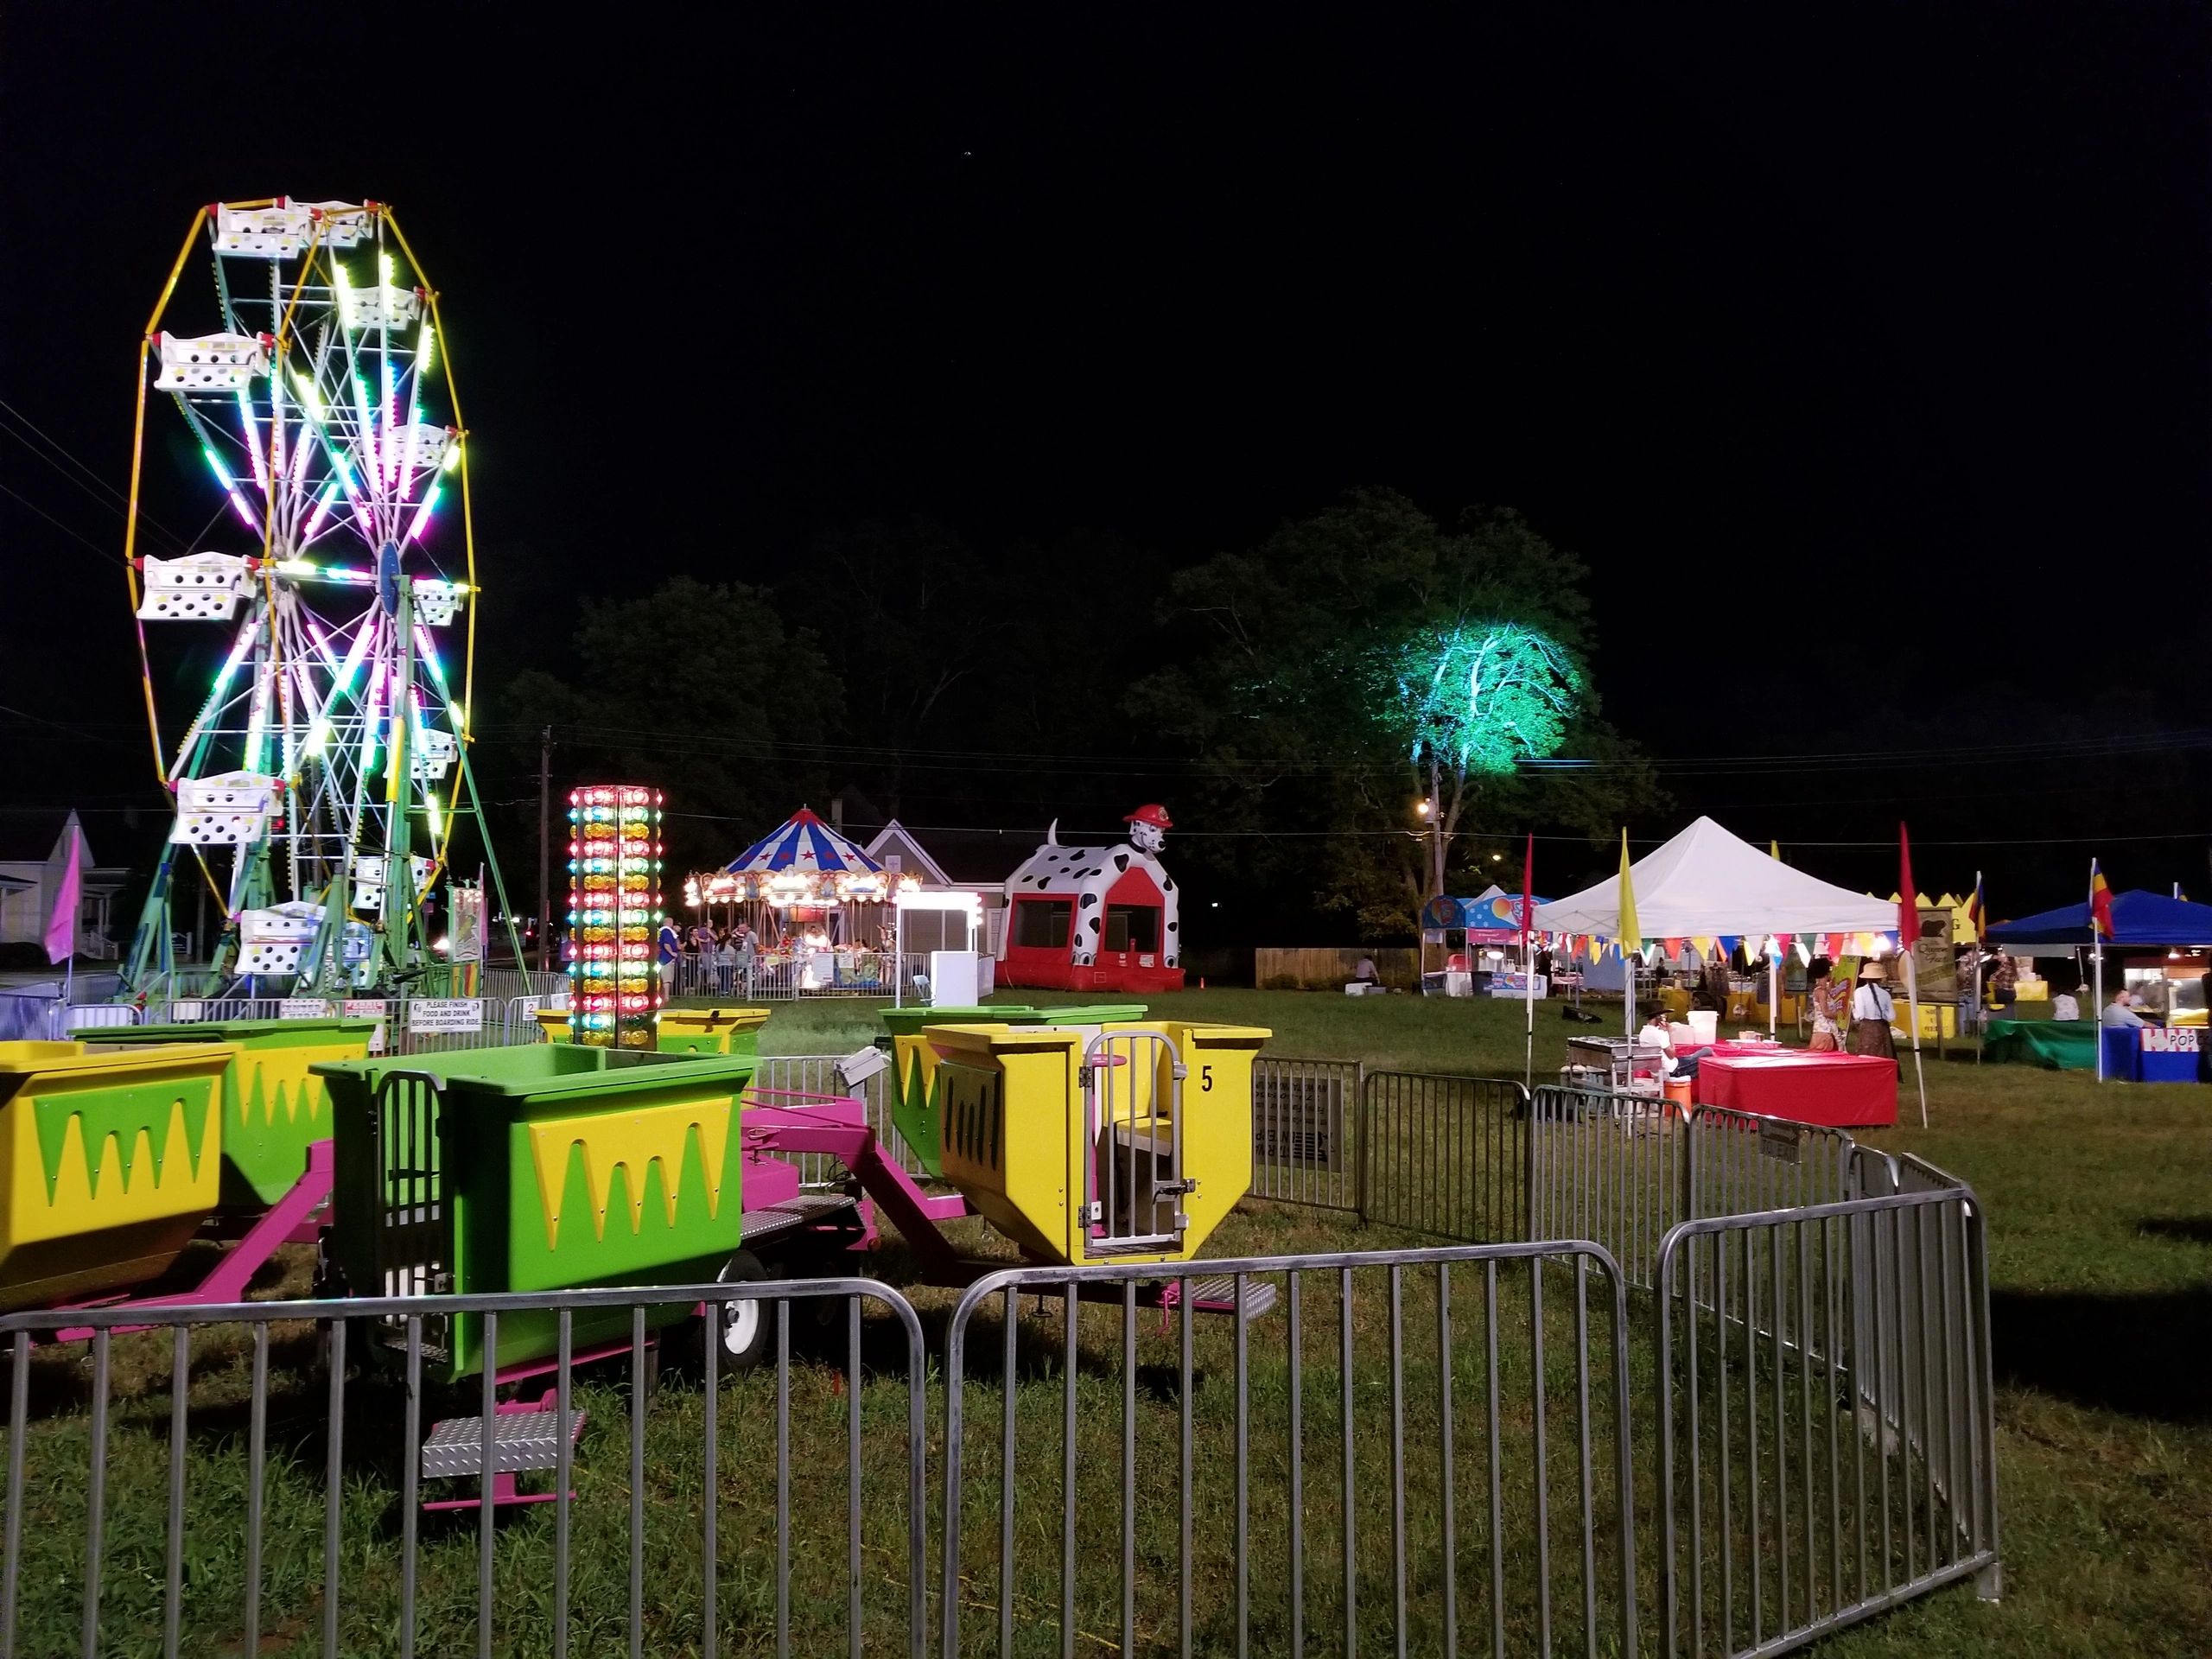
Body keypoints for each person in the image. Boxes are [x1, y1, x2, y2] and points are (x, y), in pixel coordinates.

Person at [1637, 1013, 1713, 1082]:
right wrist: (1669, 1032)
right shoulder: (1658, 1034)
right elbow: (1672, 1055)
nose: (1665, 1020)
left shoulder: (1643, 1032)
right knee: (1707, 1051)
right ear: (1658, 1017)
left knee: (1699, 1065)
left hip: (1657, 1070)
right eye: (1664, 1017)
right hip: (1673, 1069)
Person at [1848, 961, 1898, 1061]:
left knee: (1865, 1057)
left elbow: (1859, 1015)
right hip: (1882, 1028)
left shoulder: (1860, 992)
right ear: (1880, 979)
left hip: (1867, 1028)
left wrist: (1852, 1007)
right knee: (1882, 1057)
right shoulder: (1885, 994)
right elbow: (1891, 1017)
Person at [1807, 957, 1847, 1052]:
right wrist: (1839, 1015)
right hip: (1825, 1031)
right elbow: (1825, 1012)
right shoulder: (1822, 992)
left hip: (1823, 1030)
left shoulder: (1821, 990)